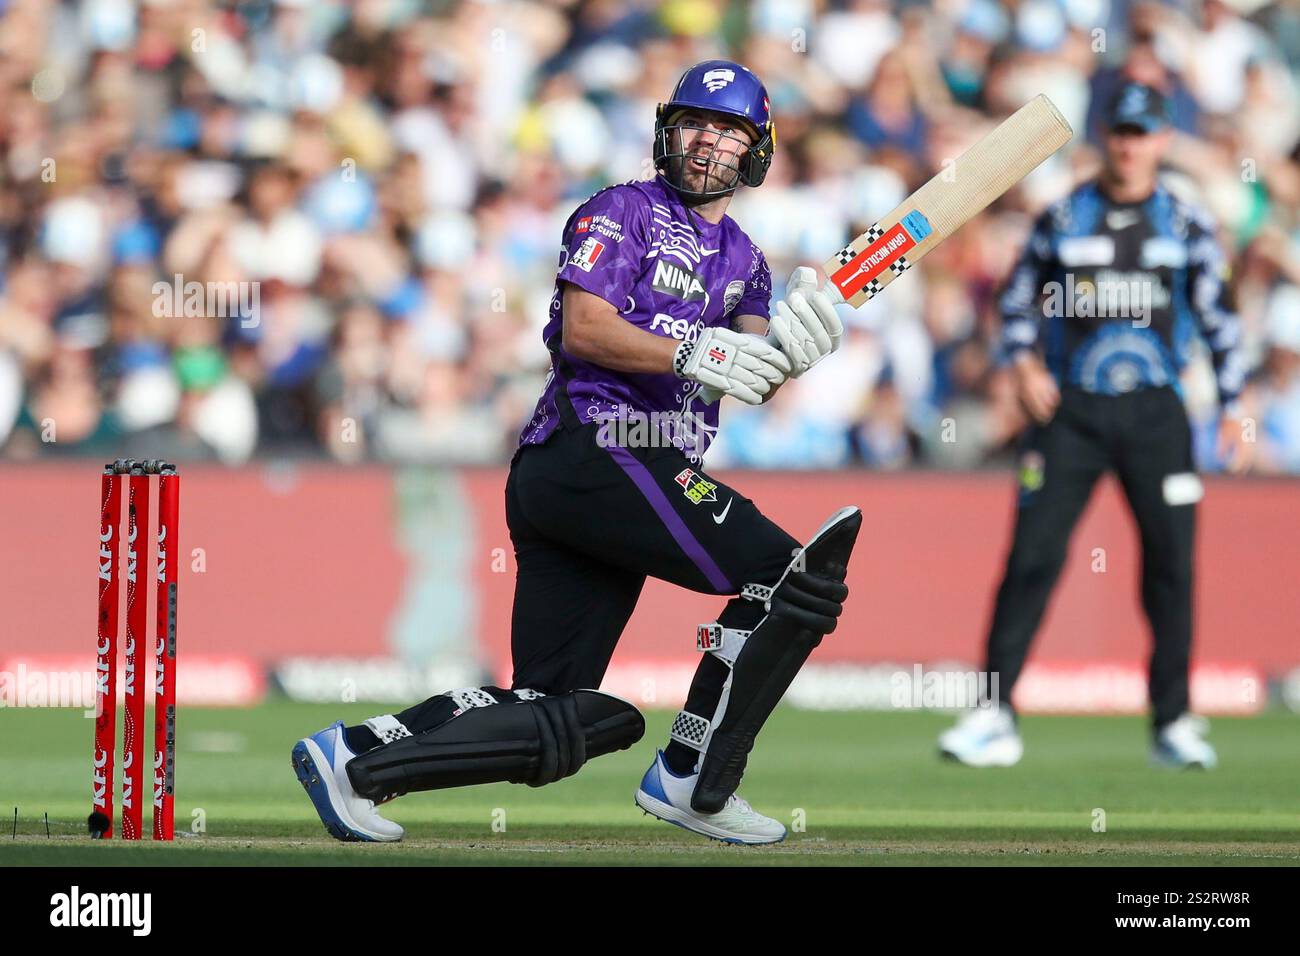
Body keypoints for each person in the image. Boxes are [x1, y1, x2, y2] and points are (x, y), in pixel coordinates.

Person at [291, 60, 858, 844]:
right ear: (667, 130)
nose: (707, 141)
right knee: (790, 578)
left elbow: (753, 366)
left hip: (608, 482)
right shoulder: (618, 210)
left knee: (557, 712)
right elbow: (586, 329)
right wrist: (698, 351)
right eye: (695, 121)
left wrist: (799, 342)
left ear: (756, 151)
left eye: (728, 130)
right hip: (600, 444)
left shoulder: (749, 264)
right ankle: (698, 774)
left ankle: (354, 760)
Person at [938, 83, 1250, 770]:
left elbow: (1221, 318)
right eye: (1120, 132)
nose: (1130, 146)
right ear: (1104, 137)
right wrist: (1021, 366)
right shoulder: (1065, 217)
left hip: (1156, 412)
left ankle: (1173, 722)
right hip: (1068, 411)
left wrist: (1234, 404)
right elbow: (1017, 300)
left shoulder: (1184, 223)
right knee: (1032, 558)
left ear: (1164, 141)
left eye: (1143, 134)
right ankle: (994, 714)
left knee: (1170, 568)